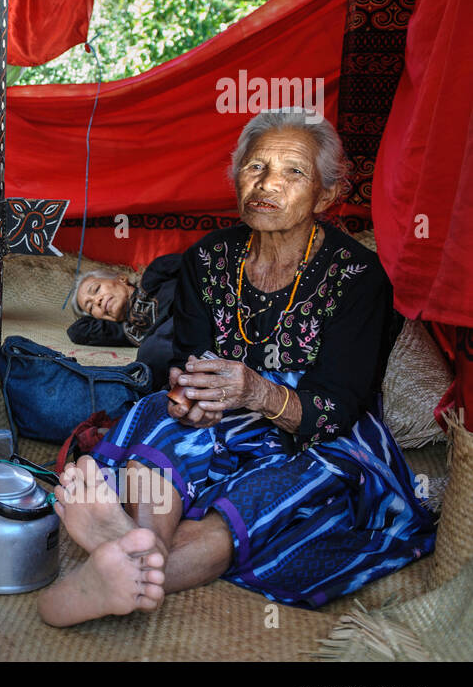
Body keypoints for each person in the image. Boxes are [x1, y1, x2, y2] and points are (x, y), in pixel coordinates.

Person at [37, 109, 435, 626]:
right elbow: (189, 359)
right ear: (236, 178)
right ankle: (134, 547)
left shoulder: (358, 277)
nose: (267, 184)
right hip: (223, 411)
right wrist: (188, 391)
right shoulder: (208, 258)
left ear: (327, 194)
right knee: (163, 417)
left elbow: (337, 406)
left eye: (293, 171)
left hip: (313, 429)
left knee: (269, 500)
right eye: (255, 168)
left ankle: (110, 564)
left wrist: (260, 394)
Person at [68, 255, 182, 388]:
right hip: (185, 358)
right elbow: (77, 331)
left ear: (122, 279)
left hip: (198, 317)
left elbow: (199, 263)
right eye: (90, 307)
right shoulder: (126, 331)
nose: (96, 301)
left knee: (149, 353)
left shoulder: (153, 278)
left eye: (96, 289)